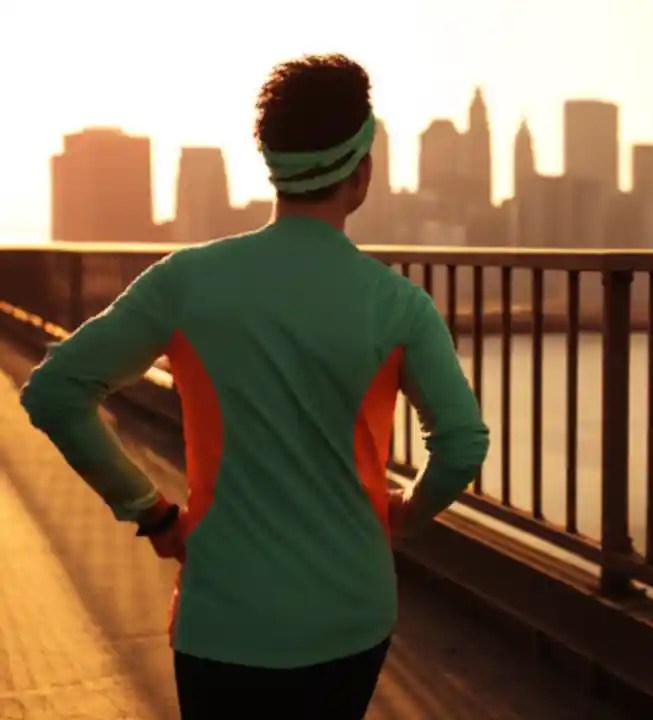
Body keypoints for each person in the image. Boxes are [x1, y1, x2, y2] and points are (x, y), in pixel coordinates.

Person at [19, 53, 489, 719]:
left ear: (272, 167)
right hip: (349, 614)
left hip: (224, 620)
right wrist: (405, 515)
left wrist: (150, 511)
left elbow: (55, 392)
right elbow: (463, 444)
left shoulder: (186, 280)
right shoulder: (397, 305)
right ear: (365, 172)